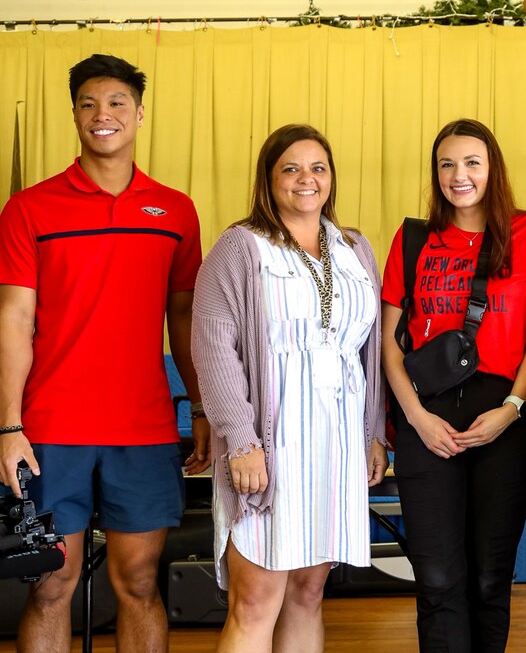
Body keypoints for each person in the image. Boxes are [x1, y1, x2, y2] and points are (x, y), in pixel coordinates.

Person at [0, 53, 206, 653]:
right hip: (50, 429)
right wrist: (8, 425)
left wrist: (201, 408)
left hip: (143, 429)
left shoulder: (175, 210)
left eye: (117, 102)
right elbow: (14, 318)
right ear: (74, 115)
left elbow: (186, 318)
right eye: (88, 104)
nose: (102, 114)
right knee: (50, 587)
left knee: (139, 584)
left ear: (139, 114)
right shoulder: (29, 208)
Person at [191, 123, 388, 653]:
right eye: (291, 168)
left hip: (337, 446)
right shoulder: (240, 247)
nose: (307, 179)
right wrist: (241, 440)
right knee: (256, 601)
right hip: (269, 448)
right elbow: (213, 349)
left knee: (307, 593)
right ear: (268, 178)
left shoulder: (354, 248)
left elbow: (368, 354)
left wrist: (373, 433)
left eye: (318, 168)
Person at [381, 118, 526, 653]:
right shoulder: (414, 238)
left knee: (487, 577)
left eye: (472, 163)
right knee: (437, 579)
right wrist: (416, 418)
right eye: (447, 164)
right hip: (426, 414)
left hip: (504, 414)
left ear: (492, 169)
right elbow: (390, 341)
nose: (459, 175)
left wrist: (512, 407)